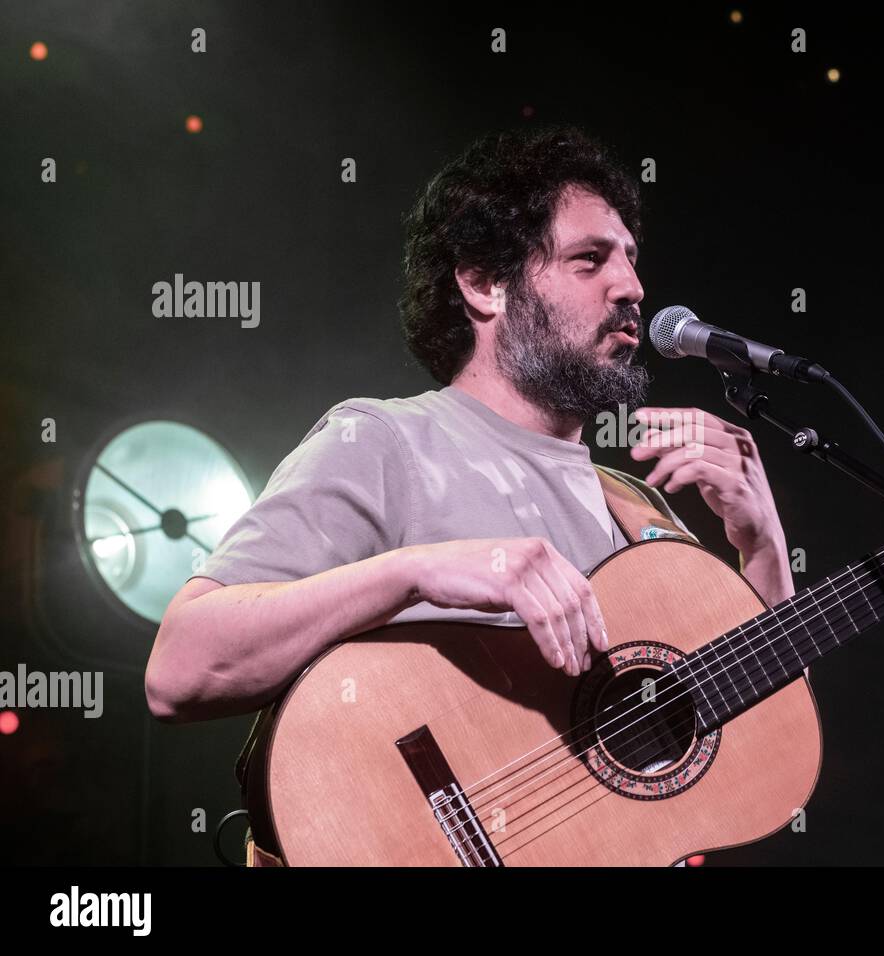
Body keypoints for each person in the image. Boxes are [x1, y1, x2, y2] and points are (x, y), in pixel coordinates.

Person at [144, 124, 794, 726]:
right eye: (589, 259)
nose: (632, 287)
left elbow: (754, 741)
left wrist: (763, 547)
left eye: (629, 257)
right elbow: (179, 670)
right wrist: (414, 573)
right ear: (485, 285)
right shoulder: (383, 441)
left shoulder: (639, 508)